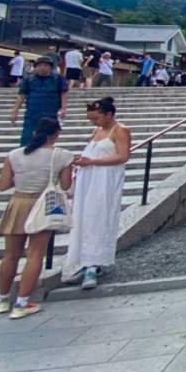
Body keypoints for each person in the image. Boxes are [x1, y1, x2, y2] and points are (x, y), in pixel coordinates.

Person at [0, 117, 74, 318]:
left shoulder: (14, 155)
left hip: (18, 202)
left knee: (10, 255)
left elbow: (2, 185)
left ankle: (3, 300)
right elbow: (65, 186)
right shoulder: (62, 156)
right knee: (35, 254)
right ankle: (22, 303)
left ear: (34, 133)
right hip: (43, 205)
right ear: (55, 135)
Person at [62, 98, 131, 290]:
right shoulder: (98, 131)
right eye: (92, 120)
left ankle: (95, 263)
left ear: (109, 114)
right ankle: (84, 262)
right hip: (88, 178)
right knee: (84, 219)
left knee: (99, 218)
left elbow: (123, 156)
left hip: (105, 179)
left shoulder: (120, 130)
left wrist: (92, 162)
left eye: (97, 118)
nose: (94, 122)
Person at [10, 57, 67, 147]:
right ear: (35, 67)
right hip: (32, 114)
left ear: (50, 67)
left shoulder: (58, 79)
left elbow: (63, 93)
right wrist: (15, 110)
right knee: (27, 138)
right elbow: (22, 95)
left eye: (45, 65)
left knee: (47, 139)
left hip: (50, 114)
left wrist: (63, 108)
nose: (42, 67)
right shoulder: (29, 80)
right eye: (39, 65)